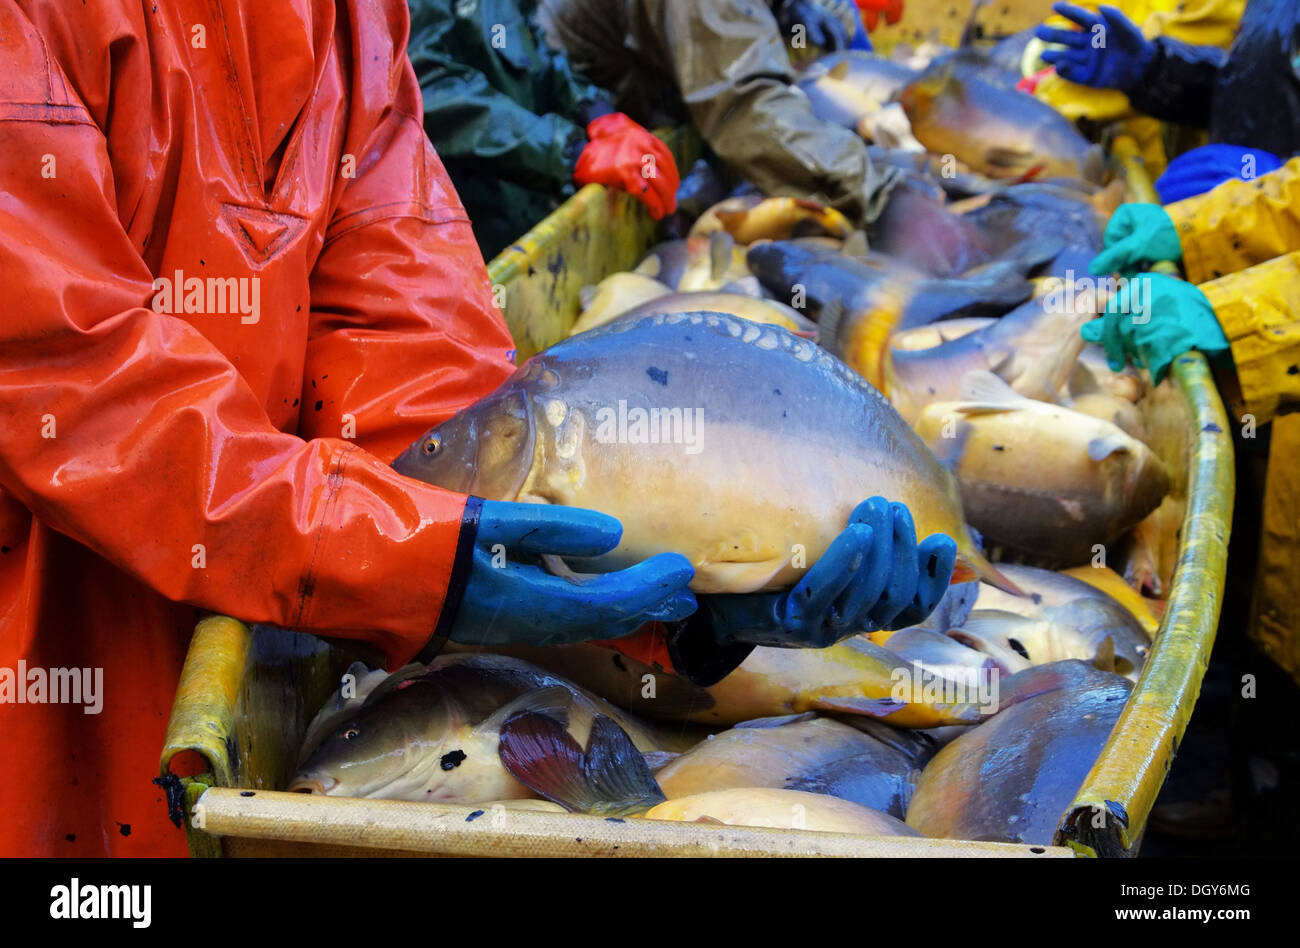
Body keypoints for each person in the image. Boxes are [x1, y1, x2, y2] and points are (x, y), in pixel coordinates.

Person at [0, 0, 951, 856]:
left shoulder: (351, 24)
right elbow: (64, 373)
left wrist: (681, 599)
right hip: (49, 645)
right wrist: (403, 559)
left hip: (269, 627)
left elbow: (418, 367)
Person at [536, 0, 900, 226]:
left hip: (652, 84)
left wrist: (785, 6)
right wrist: (882, 196)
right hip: (563, 118)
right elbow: (747, 108)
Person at [406, 0, 681, 259]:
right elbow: (425, 87)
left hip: (521, 218)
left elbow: (533, 53)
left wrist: (596, 113)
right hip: (453, 235)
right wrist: (569, 152)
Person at [1035, 1, 1293, 198]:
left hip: (1257, 224)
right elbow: (1255, 87)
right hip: (1229, 225)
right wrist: (1153, 70)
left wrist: (1282, 186)